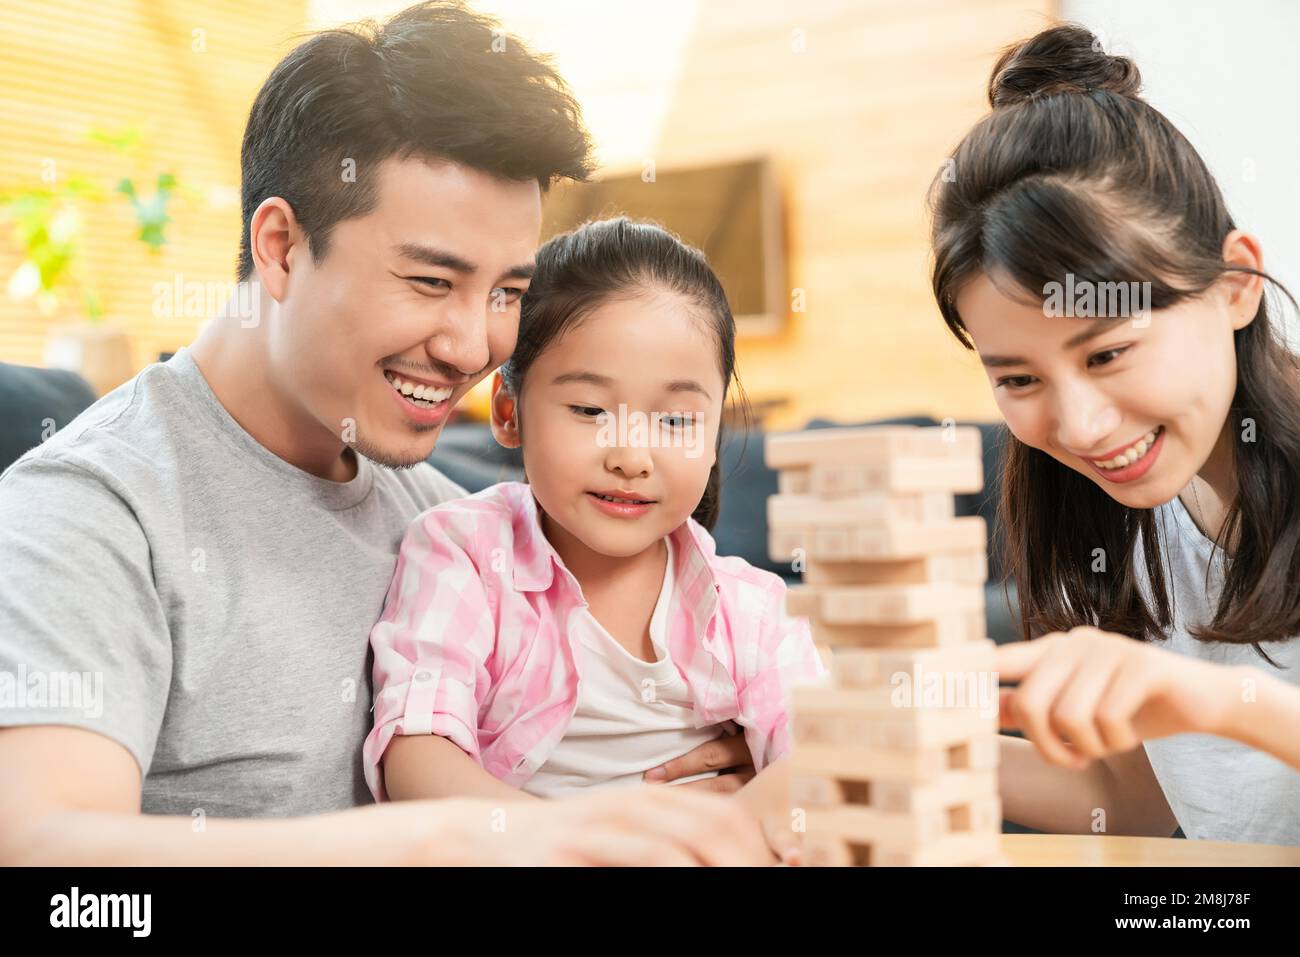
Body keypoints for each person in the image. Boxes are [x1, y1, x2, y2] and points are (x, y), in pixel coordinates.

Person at [0, 2, 769, 866]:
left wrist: (730, 768)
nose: (473, 345)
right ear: (283, 247)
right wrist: (455, 837)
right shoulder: (89, 514)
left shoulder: (455, 524)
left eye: (506, 293)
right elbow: (48, 860)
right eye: (430, 280)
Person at [929, 23, 1300, 844]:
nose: (1081, 426)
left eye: (1109, 352)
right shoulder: (1120, 513)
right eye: (1018, 378)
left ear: (1234, 283)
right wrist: (849, 745)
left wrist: (1207, 699)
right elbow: (1135, 802)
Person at [364, 219, 824, 858]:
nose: (632, 456)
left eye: (675, 419)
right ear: (509, 411)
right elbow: (418, 759)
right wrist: (593, 850)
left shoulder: (750, 608)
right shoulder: (464, 555)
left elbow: (824, 762)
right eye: (589, 410)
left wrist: (733, 828)